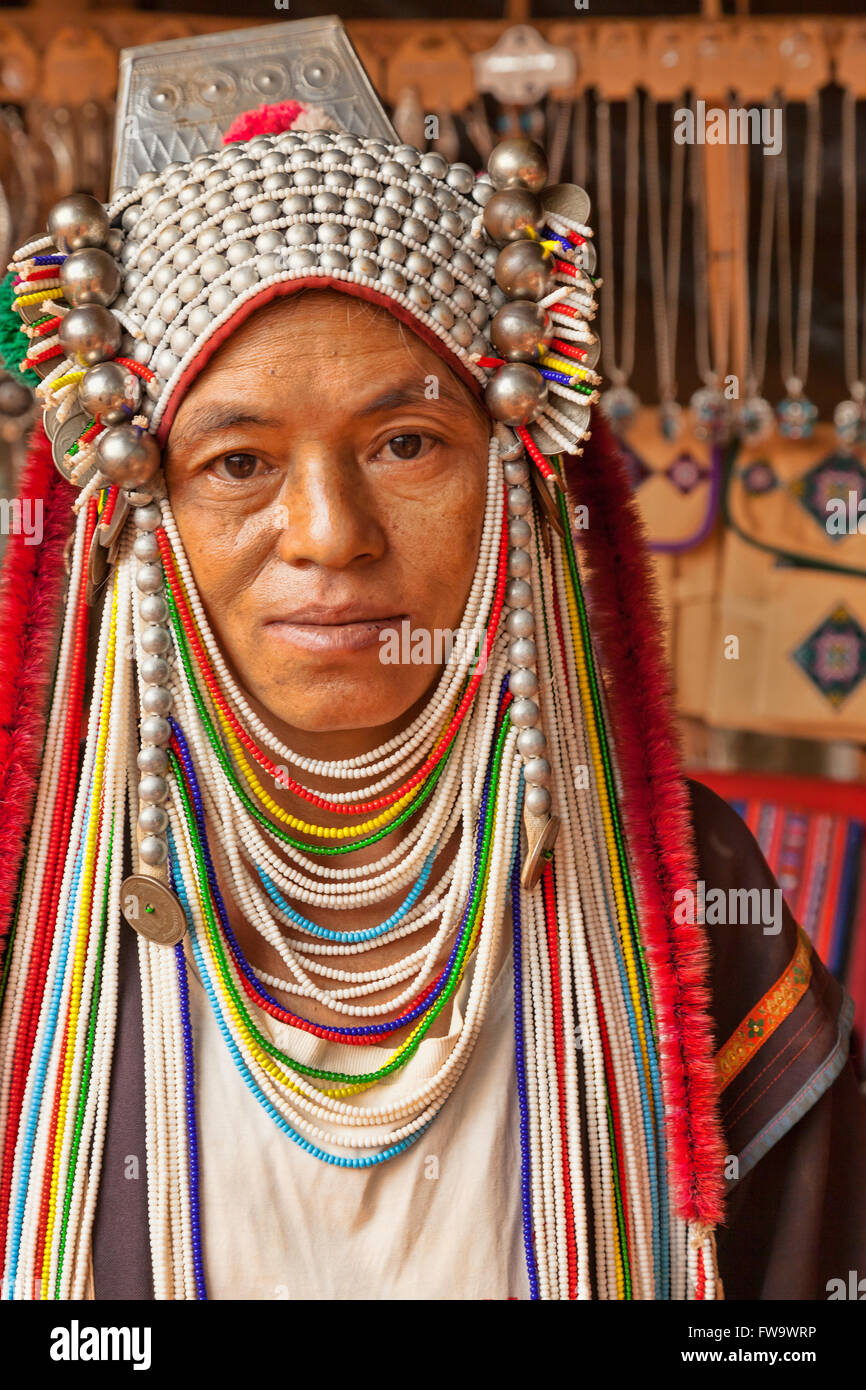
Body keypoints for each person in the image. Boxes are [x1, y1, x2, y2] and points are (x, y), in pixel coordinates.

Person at [0, 88, 862, 1303]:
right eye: (235, 462)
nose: (329, 534)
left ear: (512, 471)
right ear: (137, 509)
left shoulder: (691, 889)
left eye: (405, 443)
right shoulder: (37, 930)